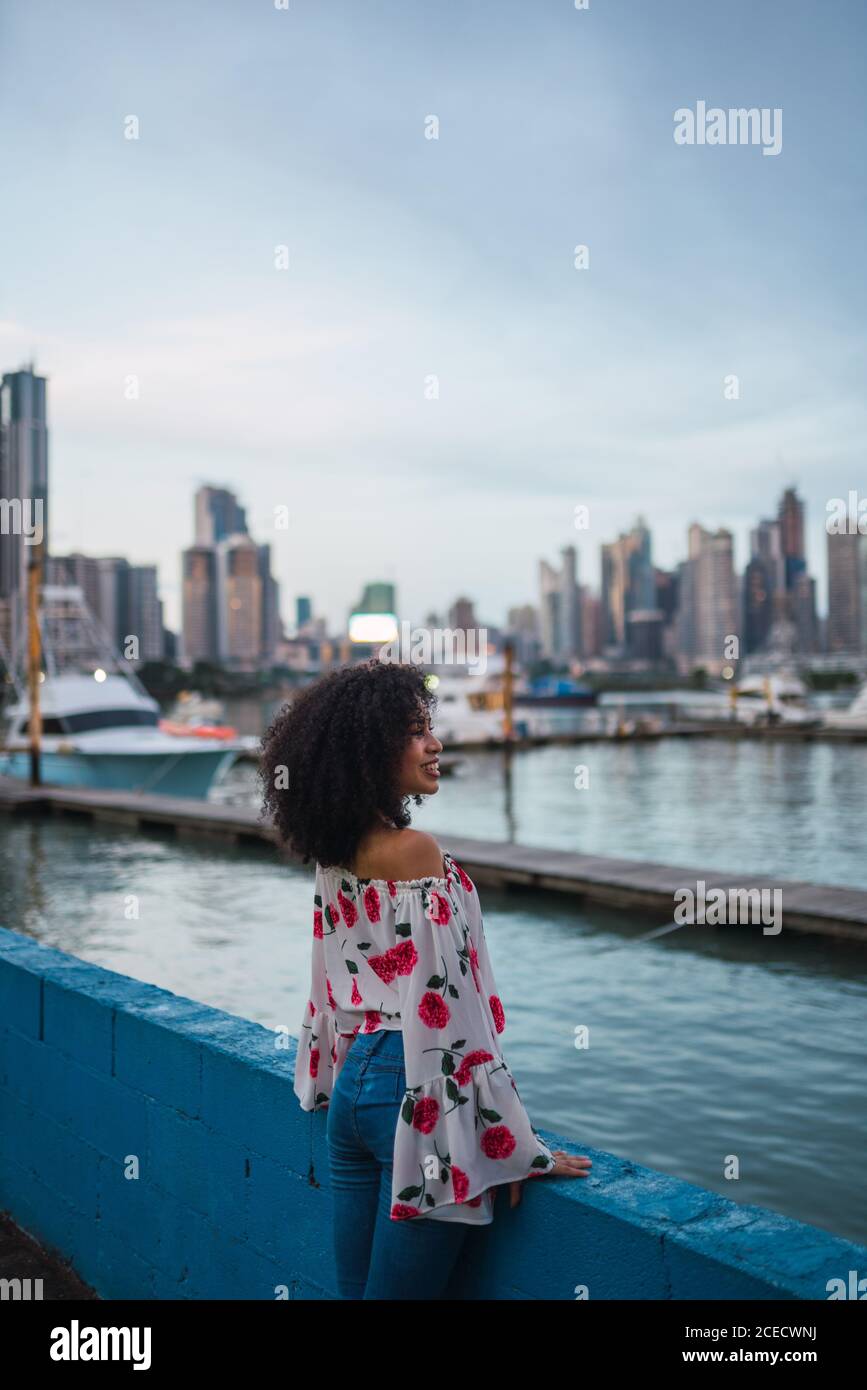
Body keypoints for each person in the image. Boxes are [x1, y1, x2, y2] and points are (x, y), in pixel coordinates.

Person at [259, 658, 591, 1299]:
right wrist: (511, 1138)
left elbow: (327, 987)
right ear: (369, 750)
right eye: (415, 731)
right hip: (412, 1093)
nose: (435, 744)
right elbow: (450, 1011)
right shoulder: (416, 851)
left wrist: (327, 1077)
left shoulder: (334, 853)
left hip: (353, 1095)